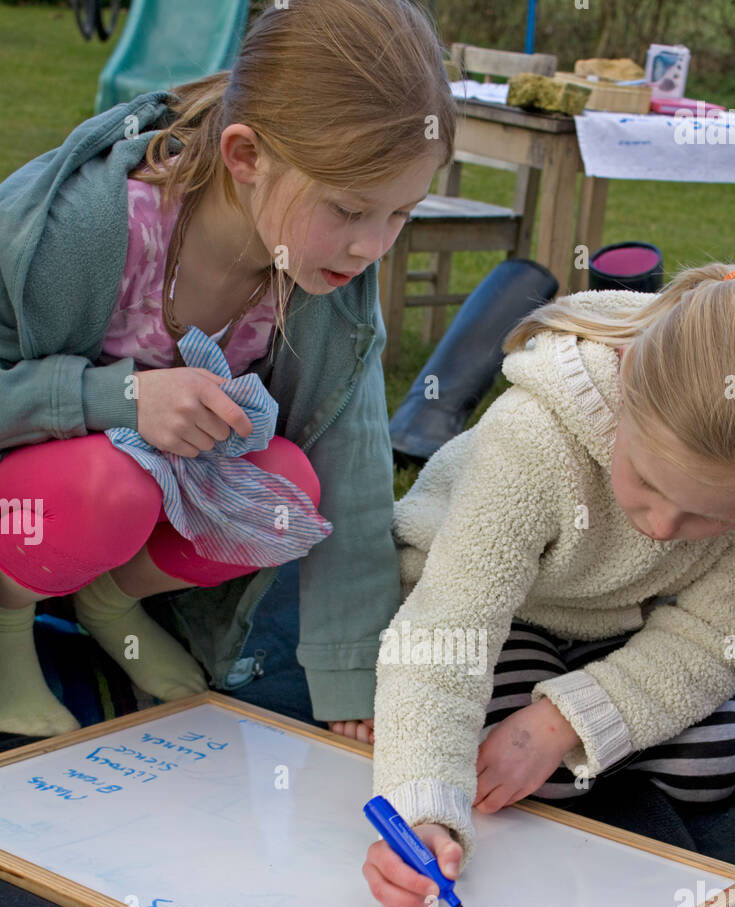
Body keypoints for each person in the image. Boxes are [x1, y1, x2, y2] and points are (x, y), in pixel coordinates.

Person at [0, 0, 454, 738]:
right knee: (111, 484)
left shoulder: (321, 273)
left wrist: (351, 683)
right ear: (246, 158)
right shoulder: (83, 227)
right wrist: (116, 397)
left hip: (122, 511)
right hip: (35, 495)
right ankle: (8, 620)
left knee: (291, 487)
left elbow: (354, 466)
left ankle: (110, 602)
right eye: (347, 209)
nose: (373, 245)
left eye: (399, 215)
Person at [363, 264, 735, 907]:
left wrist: (556, 723)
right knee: (509, 773)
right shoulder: (532, 438)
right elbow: (449, 628)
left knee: (710, 763)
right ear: (625, 383)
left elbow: (719, 639)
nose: (662, 527)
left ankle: (558, 717)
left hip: (613, 616)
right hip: (497, 608)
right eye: (647, 485)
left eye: (705, 517)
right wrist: (421, 808)